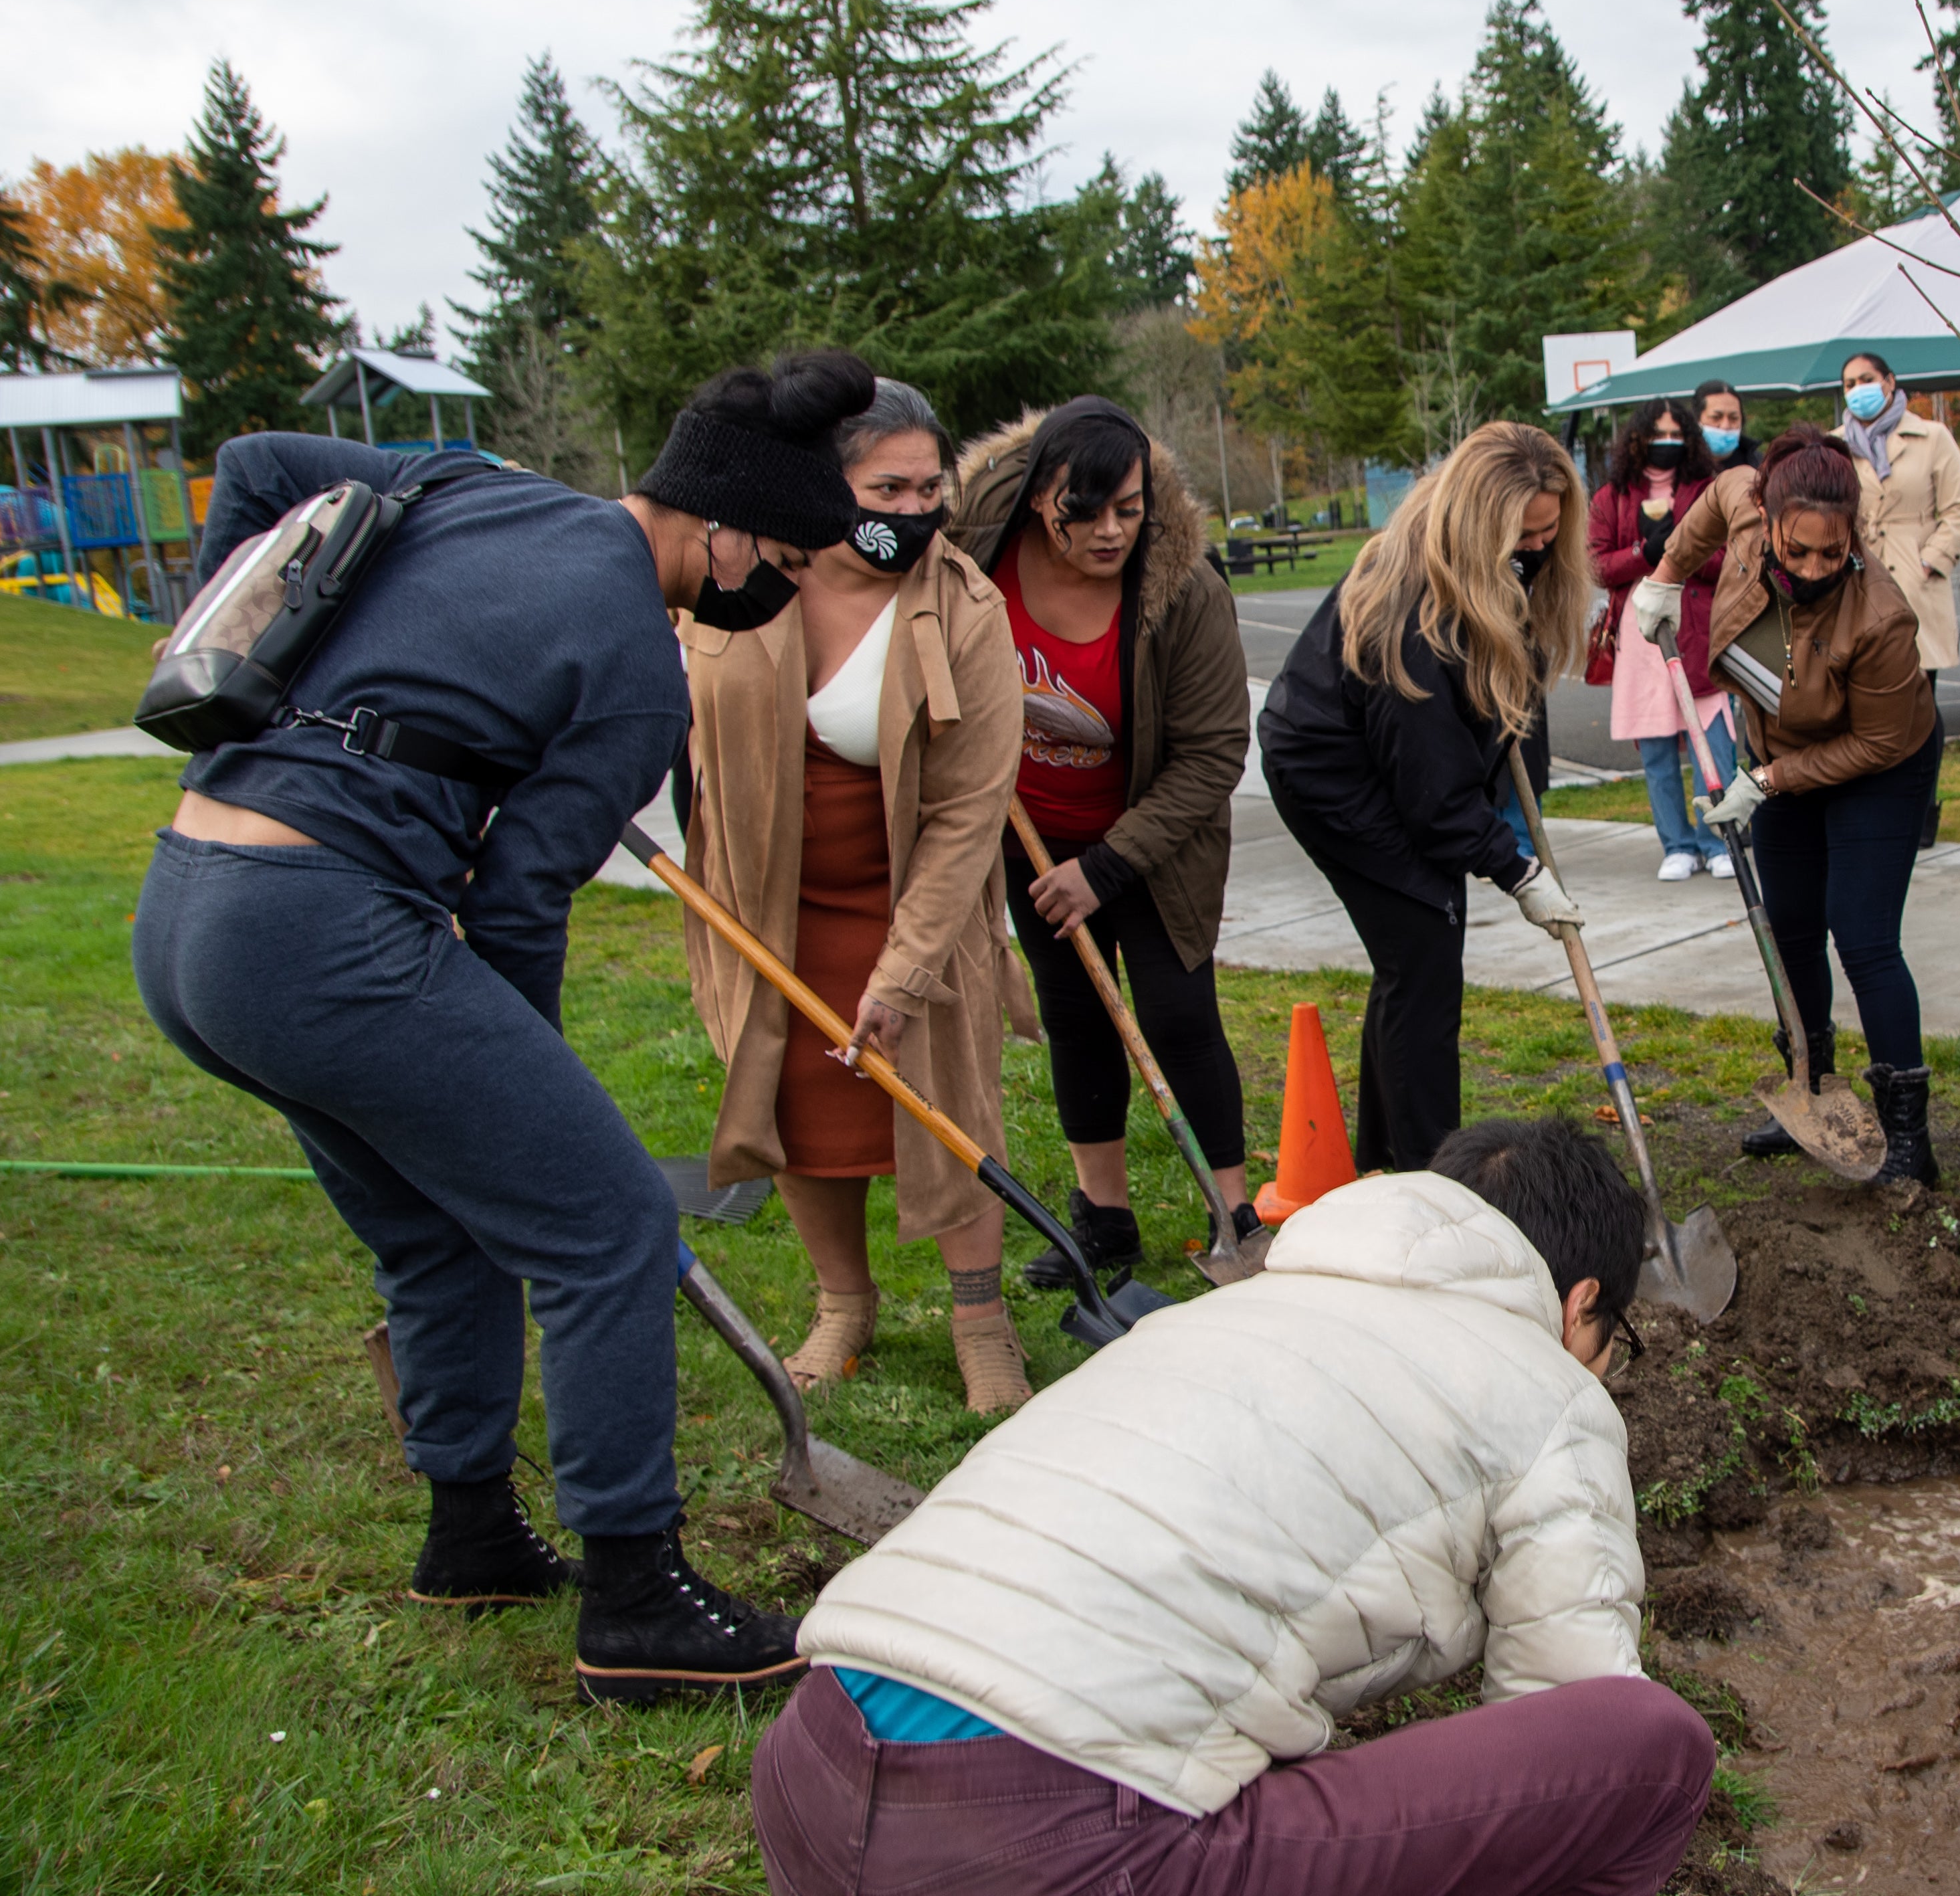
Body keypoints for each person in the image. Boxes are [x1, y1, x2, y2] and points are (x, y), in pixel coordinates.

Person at [133, 351, 880, 1703]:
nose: (774, 587)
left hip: (190, 903)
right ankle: (637, 1602)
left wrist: (233, 650)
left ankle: (469, 1530)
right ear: (712, 521)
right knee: (601, 1227)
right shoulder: (639, 674)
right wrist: (521, 1091)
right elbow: (519, 908)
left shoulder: (468, 485)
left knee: (437, 1228)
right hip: (315, 930)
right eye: (773, 552)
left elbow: (253, 468)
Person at [751, 1117, 1715, 1896]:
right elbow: (1568, 1722)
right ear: (1579, 1301)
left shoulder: (1218, 1314)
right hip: (1056, 1840)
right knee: (1650, 1748)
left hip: (811, 1772)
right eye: (1609, 1338)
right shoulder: (1548, 1391)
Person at [677, 379, 1032, 1414]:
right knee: (793, 1106)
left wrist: (907, 964)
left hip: (916, 904)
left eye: (931, 487)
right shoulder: (739, 571)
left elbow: (970, 813)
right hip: (770, 912)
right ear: (821, 486)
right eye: (887, 487)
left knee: (948, 1109)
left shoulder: (964, 606)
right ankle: (844, 1303)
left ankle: (980, 1321)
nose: (913, 510)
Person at [951, 397, 1258, 1288]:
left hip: (1155, 847)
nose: (1111, 530)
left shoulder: (1184, 591)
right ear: (1043, 496)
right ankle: (1105, 1220)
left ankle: (1232, 1215)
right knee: (1076, 1015)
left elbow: (1212, 755)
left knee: (1177, 1017)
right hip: (1031, 842)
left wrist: (1107, 866)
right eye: (1086, 511)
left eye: (1131, 509)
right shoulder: (980, 569)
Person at [1259, 423, 1590, 1171]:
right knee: (1427, 952)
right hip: (1332, 773)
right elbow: (1435, 795)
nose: (1540, 548)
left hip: (1396, 760)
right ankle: (1435, 1172)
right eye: (1524, 536)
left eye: (1550, 531)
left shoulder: (1507, 569)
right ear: (1481, 525)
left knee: (1414, 959)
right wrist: (1517, 873)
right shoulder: (1416, 614)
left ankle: (1393, 1158)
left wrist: (1517, 813)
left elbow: (1511, 715)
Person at [1630, 428, 1944, 1183]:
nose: (1812, 569)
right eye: (1796, 550)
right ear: (1767, 523)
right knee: (1792, 927)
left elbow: (1874, 742)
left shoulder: (1881, 619)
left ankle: (1908, 1137)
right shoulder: (1744, 506)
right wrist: (1667, 574)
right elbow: (1712, 498)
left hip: (1878, 764)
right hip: (1779, 754)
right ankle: (1808, 1086)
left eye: (1831, 554)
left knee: (1863, 937)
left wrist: (1766, 782)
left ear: (1853, 540)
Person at [1588, 397, 1738, 882]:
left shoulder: (1707, 489)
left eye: (1677, 434)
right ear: (1637, 439)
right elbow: (1597, 566)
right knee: (1656, 751)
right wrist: (1643, 551)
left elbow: (1729, 557)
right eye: (1659, 434)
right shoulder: (1612, 496)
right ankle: (1676, 843)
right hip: (1641, 638)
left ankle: (1718, 841)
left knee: (1711, 744)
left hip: (1699, 631)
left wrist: (1681, 549)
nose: (1668, 444)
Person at [1834, 350, 1960, 673]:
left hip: (1914, 577)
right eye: (1850, 384)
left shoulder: (1933, 436)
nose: (1858, 389)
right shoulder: (1834, 445)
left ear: (1889, 382)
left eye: (1867, 380)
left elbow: (1959, 506)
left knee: (1920, 689)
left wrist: (1931, 561)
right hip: (1856, 579)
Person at [1692, 377, 1761, 474]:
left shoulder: (1759, 466)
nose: (1726, 426)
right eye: (1716, 417)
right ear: (1697, 420)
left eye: (1734, 418)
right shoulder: (1681, 466)